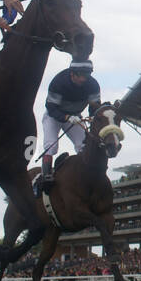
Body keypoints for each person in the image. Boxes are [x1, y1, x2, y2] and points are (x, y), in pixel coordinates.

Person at [38, 61, 102, 190]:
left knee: (83, 144)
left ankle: (85, 173)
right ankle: (46, 176)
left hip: (75, 116)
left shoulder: (93, 85)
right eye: (80, 76)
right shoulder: (59, 82)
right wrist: (66, 117)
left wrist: (93, 116)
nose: (83, 79)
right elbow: (51, 108)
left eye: (86, 76)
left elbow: (95, 106)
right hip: (54, 116)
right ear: (72, 74)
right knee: (51, 145)